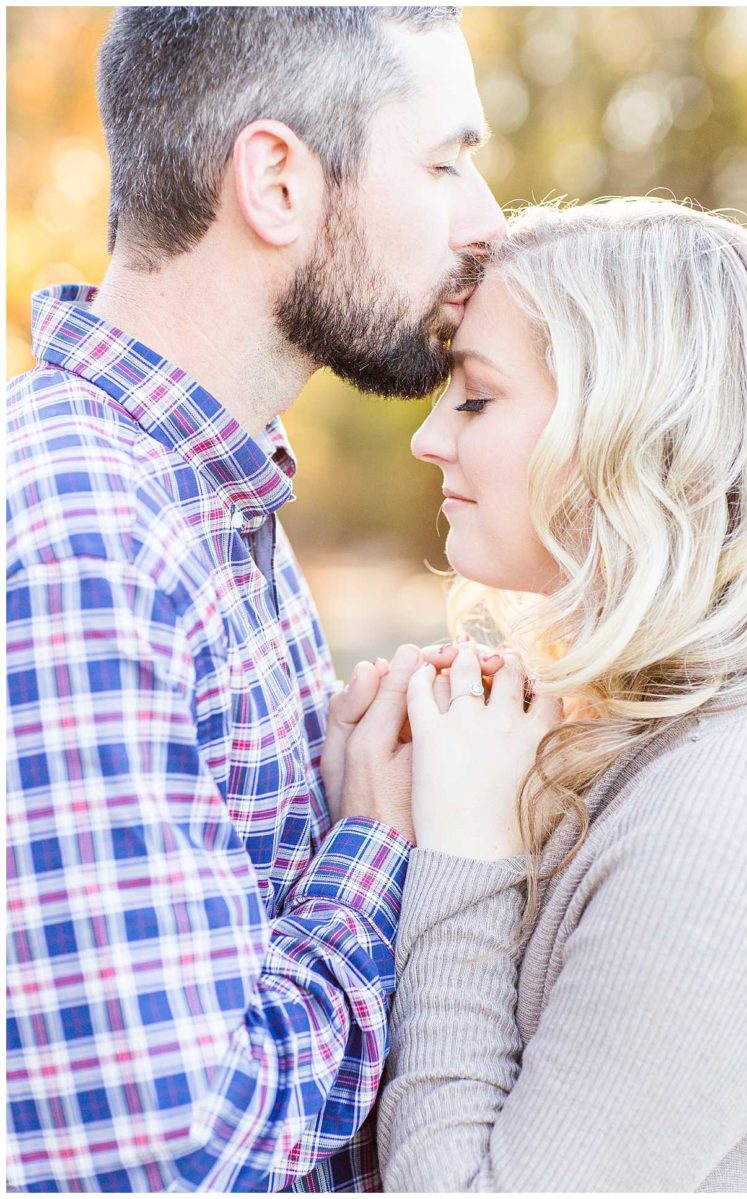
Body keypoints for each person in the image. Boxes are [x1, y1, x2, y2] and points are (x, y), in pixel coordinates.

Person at [5, 7, 503, 1190]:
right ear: (277, 180)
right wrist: (373, 846)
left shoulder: (203, 496)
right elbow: (181, 1154)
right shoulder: (87, 539)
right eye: (442, 164)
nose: (484, 222)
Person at [332, 198, 747, 1190]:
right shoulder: (585, 730)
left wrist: (465, 857)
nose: (427, 439)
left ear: (630, 426)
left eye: (476, 398)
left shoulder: (730, 806)